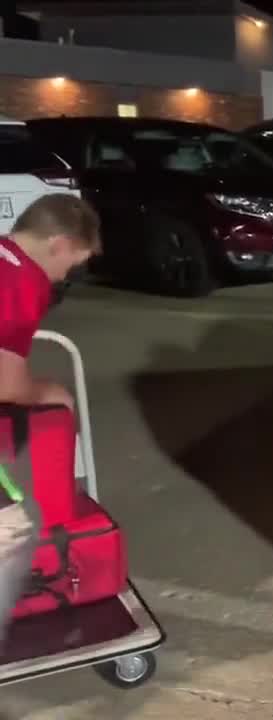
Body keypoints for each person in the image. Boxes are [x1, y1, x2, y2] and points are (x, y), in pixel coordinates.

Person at [0, 193, 101, 645]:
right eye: (71, 265)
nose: (66, 276)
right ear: (58, 244)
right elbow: (6, 387)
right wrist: (51, 392)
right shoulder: (21, 283)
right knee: (11, 534)